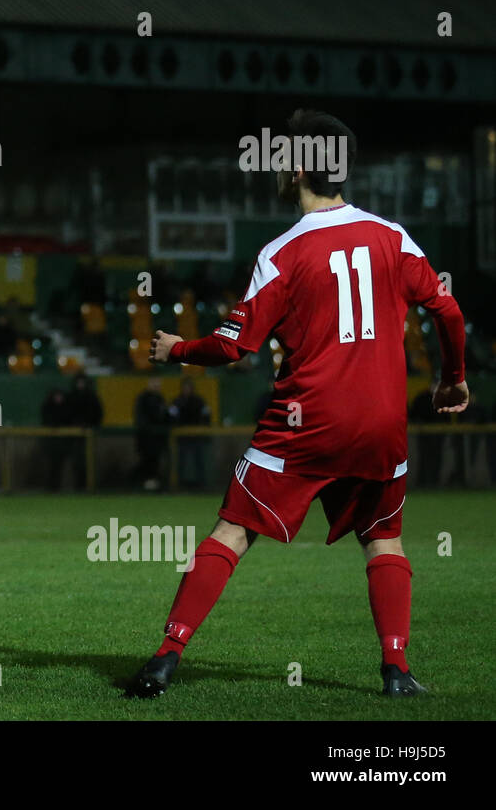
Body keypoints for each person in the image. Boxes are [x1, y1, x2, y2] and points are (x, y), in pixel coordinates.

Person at [130, 109, 467, 699]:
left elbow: (235, 347)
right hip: (382, 421)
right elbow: (447, 310)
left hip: (307, 420)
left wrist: (177, 348)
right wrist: (453, 378)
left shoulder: (282, 253)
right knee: (384, 540)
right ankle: (396, 671)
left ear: (299, 170)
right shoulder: (393, 237)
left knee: (233, 529)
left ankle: (166, 656)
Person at [168, 377, 211, 487]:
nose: (186, 390)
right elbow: (171, 416)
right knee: (181, 461)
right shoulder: (177, 401)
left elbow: (206, 415)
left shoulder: (198, 401)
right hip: (182, 437)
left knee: (199, 460)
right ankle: (179, 484)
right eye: (185, 388)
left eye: (188, 387)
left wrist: (202, 428)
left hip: (196, 436)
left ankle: (202, 484)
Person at [133, 378, 168, 491]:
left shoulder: (160, 398)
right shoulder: (143, 398)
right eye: (154, 384)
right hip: (145, 438)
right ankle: (143, 484)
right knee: (145, 461)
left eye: (158, 385)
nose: (156, 387)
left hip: (157, 439)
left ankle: (153, 485)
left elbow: (164, 416)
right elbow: (139, 417)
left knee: (155, 462)